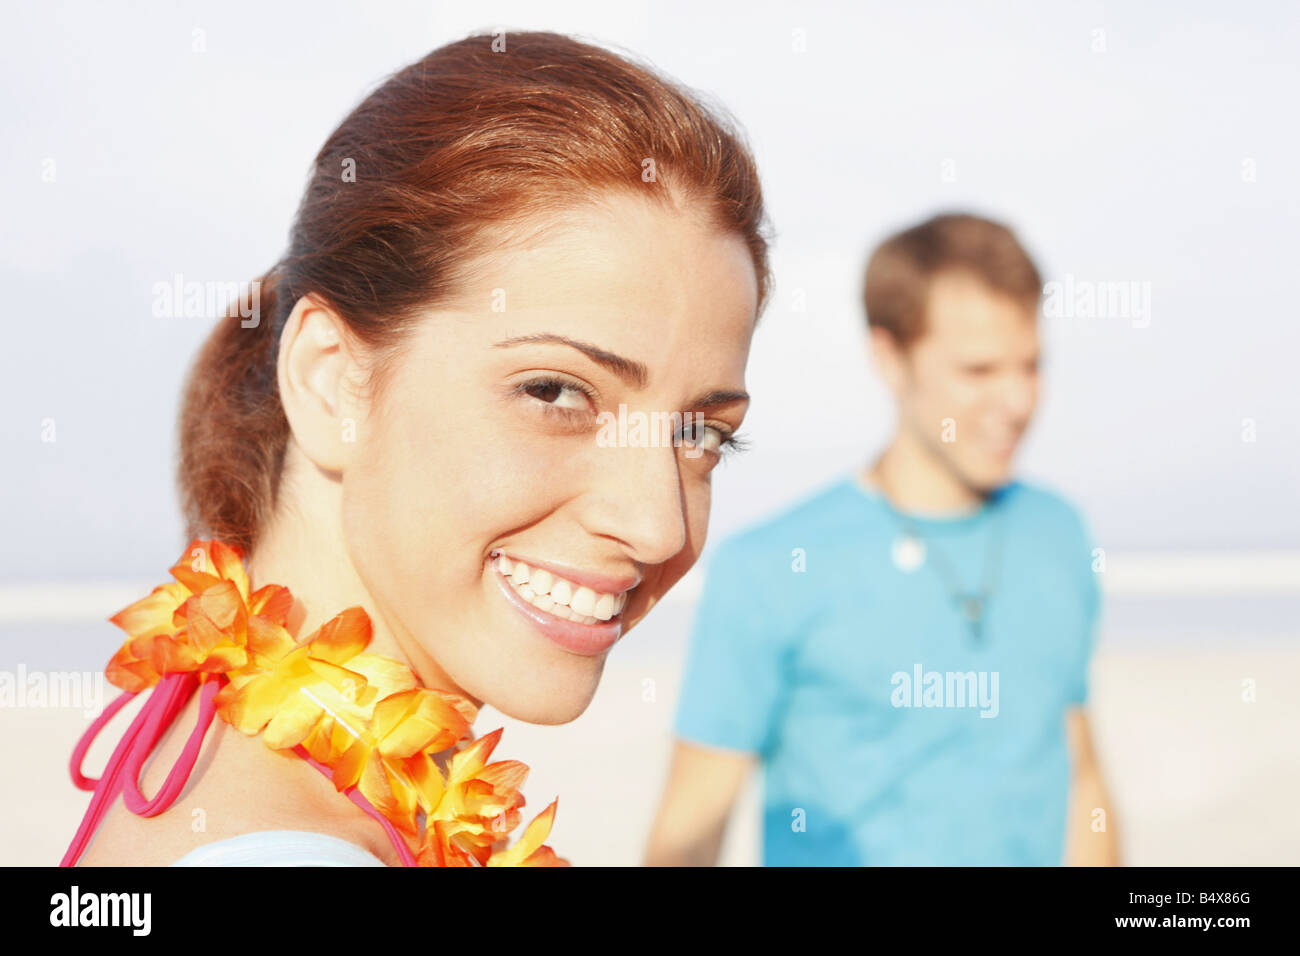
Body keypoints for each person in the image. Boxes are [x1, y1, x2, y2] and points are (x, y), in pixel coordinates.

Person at [67, 30, 772, 867]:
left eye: (699, 435)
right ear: (331, 381)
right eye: (555, 392)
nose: (658, 527)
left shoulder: (238, 774)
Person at [645, 212, 1121, 866]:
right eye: (979, 371)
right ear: (889, 358)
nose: (1016, 400)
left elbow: (1081, 774)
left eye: (1030, 366)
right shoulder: (772, 567)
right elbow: (687, 836)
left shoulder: (1059, 533)